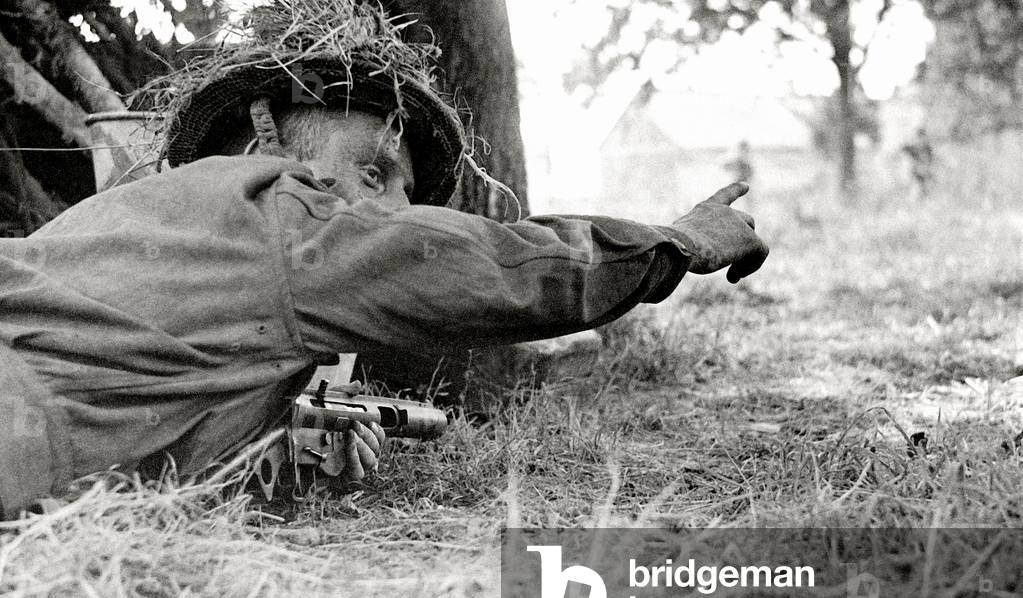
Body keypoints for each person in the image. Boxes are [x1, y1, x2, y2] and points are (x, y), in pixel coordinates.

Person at [0, 0, 768, 517]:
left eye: (405, 192)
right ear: (265, 131)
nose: (396, 215)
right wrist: (674, 244)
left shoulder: (141, 223)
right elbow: (497, 267)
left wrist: (290, 460)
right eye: (373, 169)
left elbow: (146, 451)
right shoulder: (275, 205)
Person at [901, 127, 934, 198]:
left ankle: (923, 194)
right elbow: (904, 149)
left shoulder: (928, 149)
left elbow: (930, 160)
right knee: (915, 187)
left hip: (924, 172)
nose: (922, 140)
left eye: (923, 137)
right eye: (920, 137)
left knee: (924, 187)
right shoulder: (914, 148)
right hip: (917, 172)